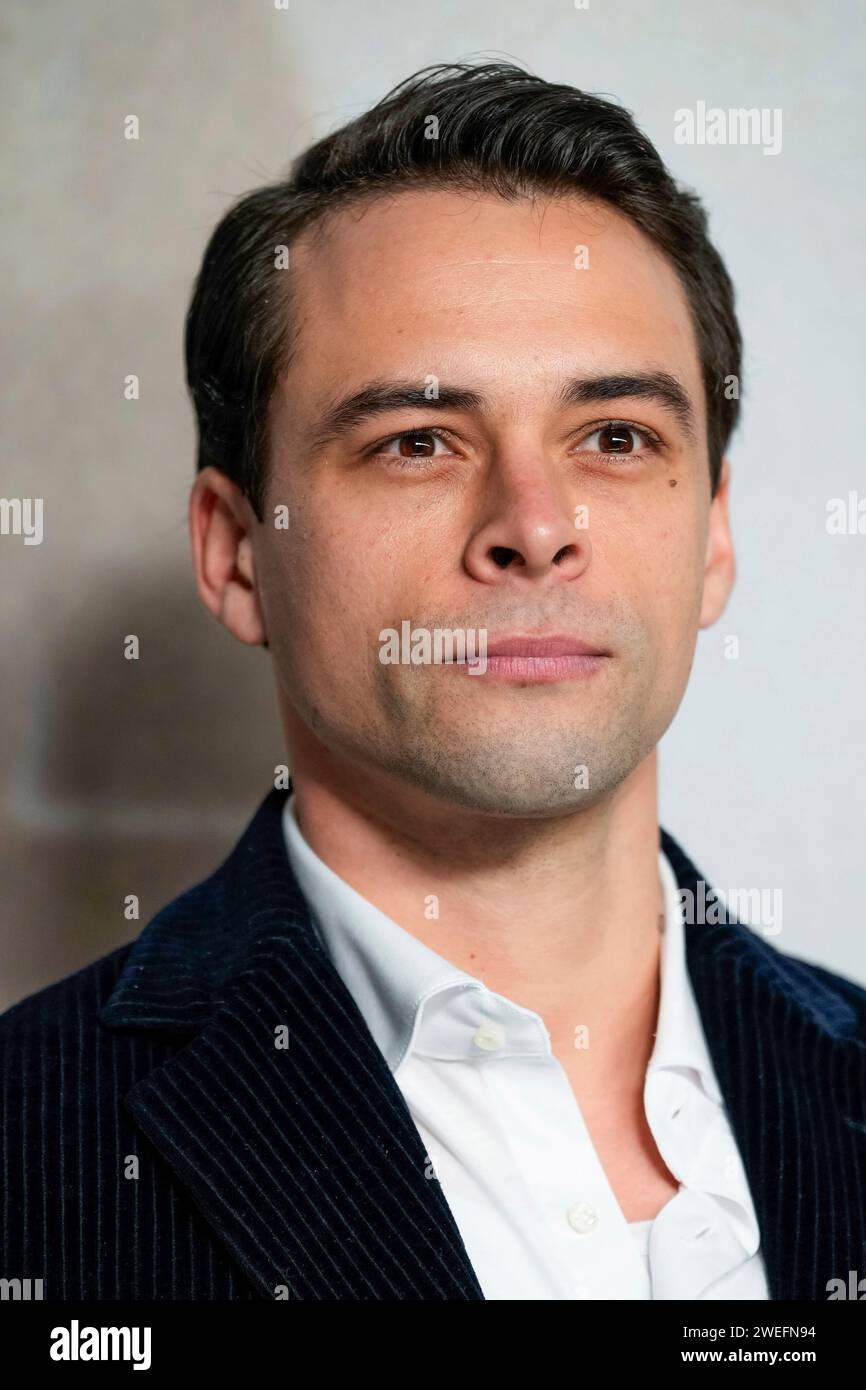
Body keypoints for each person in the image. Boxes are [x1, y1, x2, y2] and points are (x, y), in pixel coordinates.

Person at [3, 61, 865, 1302]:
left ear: (712, 538)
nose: (534, 523)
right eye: (416, 442)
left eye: (614, 436)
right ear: (234, 554)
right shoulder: (29, 1159)